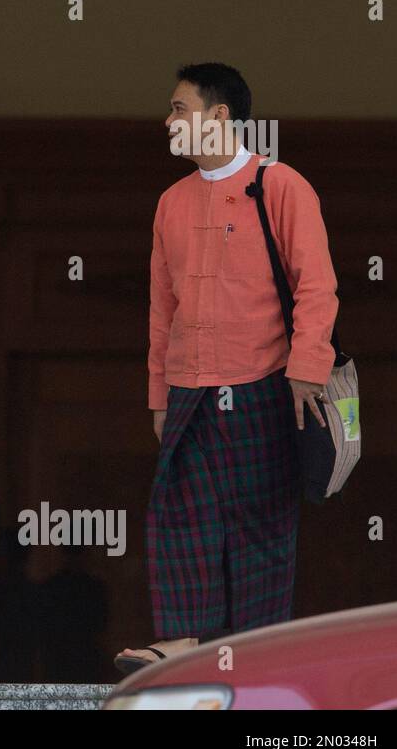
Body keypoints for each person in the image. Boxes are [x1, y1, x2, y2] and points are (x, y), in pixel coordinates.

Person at [116, 63, 338, 673]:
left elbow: (317, 285)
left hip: (267, 381)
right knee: (178, 512)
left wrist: (307, 369)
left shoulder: (282, 184)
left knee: (262, 525)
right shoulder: (171, 202)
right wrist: (159, 396)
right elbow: (161, 306)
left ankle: (256, 659)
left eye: (178, 109)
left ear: (218, 117)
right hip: (189, 386)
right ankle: (184, 641)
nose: (168, 122)